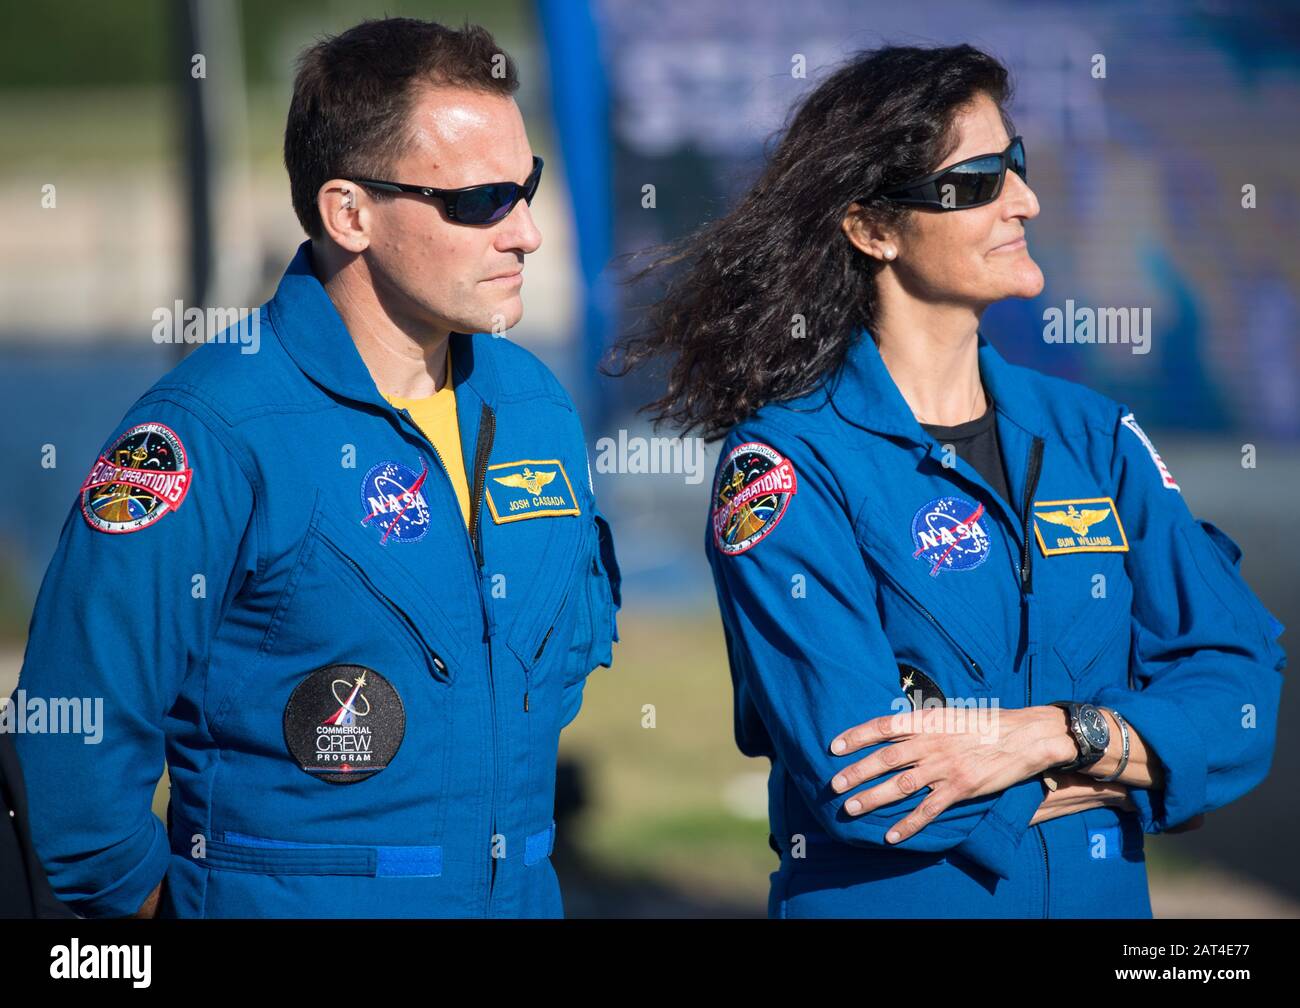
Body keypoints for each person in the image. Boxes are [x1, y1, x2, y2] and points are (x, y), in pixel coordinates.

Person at [613, 44, 1285, 917]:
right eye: (976, 180)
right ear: (873, 229)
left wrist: (1044, 734)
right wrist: (1140, 759)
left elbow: (1240, 699)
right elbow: (870, 784)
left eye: (1017, 165)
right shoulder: (784, 468)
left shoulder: (1093, 435)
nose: (1025, 201)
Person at [11, 17, 619, 919]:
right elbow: (72, 754)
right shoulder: (208, 435)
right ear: (349, 213)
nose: (526, 231)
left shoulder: (535, 408)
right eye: (480, 200)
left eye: (525, 187)